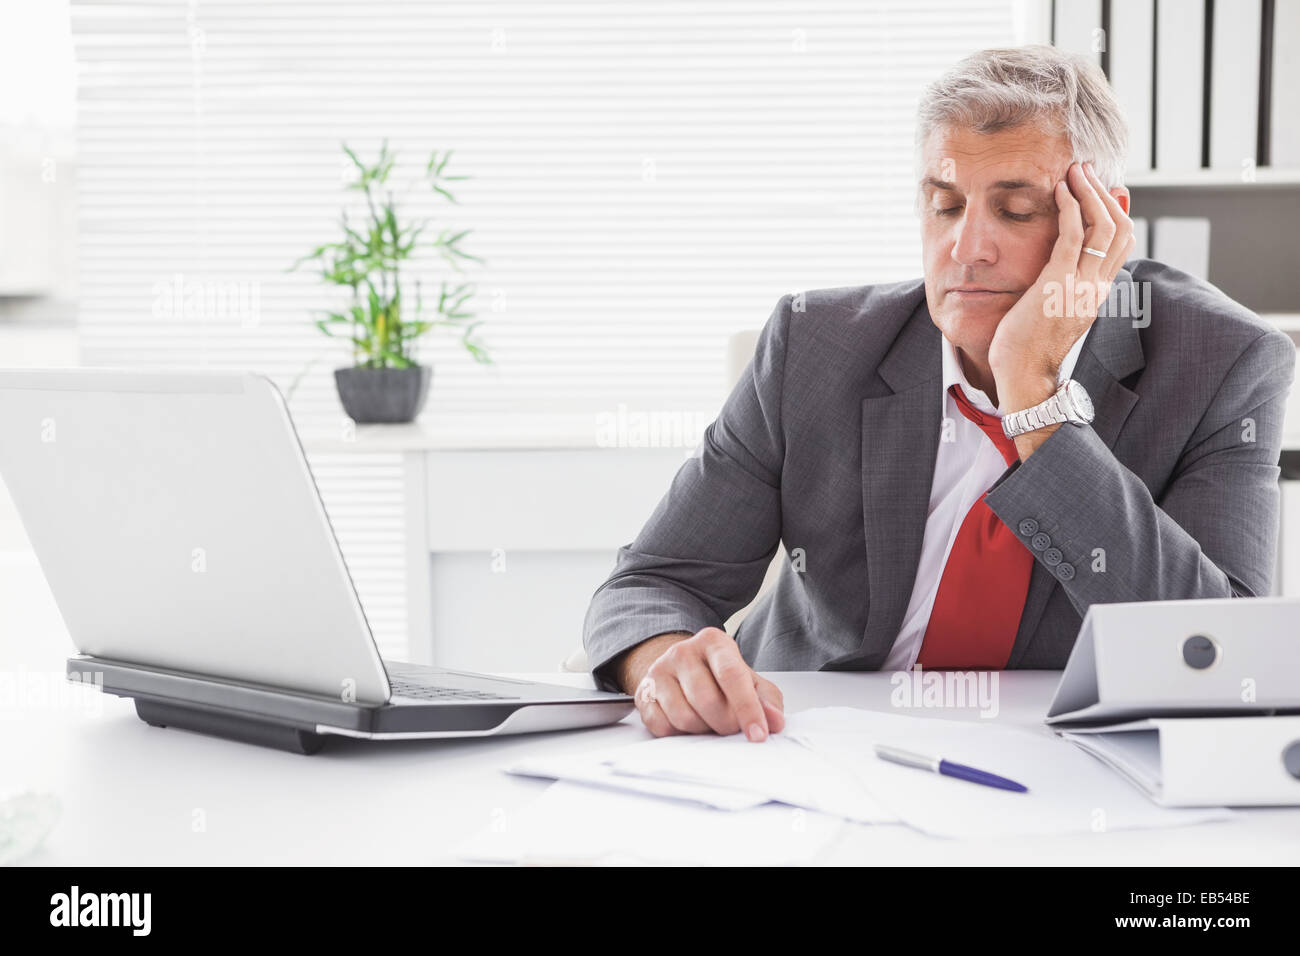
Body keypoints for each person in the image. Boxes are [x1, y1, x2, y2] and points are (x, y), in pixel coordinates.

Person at [582, 44, 1297, 742]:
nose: (967, 246)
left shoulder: (1224, 361)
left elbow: (1219, 656)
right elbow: (652, 583)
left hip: (1061, 765)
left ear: (1099, 226)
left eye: (1015, 209)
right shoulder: (814, 345)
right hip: (802, 746)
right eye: (945, 204)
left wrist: (1034, 393)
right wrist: (663, 663)